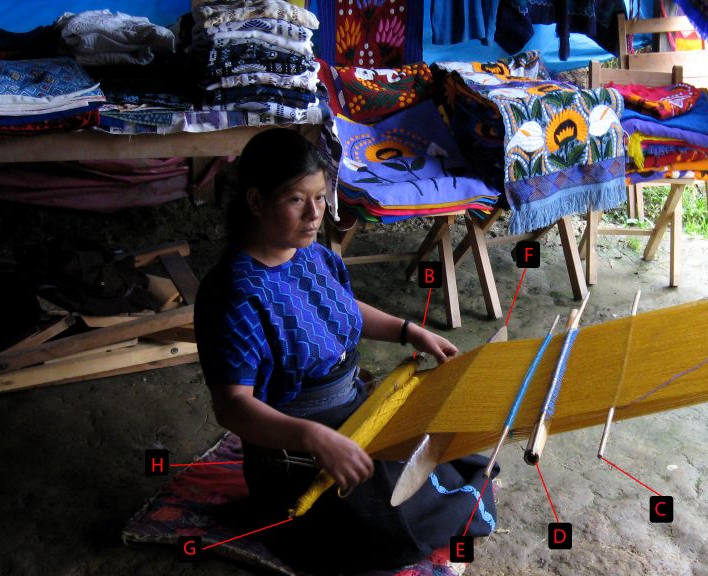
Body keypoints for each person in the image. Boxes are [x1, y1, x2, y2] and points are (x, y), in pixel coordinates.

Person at [194, 128, 497, 573]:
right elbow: (232, 407)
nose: (315, 214)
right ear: (255, 201)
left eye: (320, 198)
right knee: (393, 523)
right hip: (296, 452)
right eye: (297, 200)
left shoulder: (311, 254)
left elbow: (338, 305)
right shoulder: (233, 294)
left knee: (446, 454)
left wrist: (408, 330)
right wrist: (313, 438)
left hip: (353, 409)